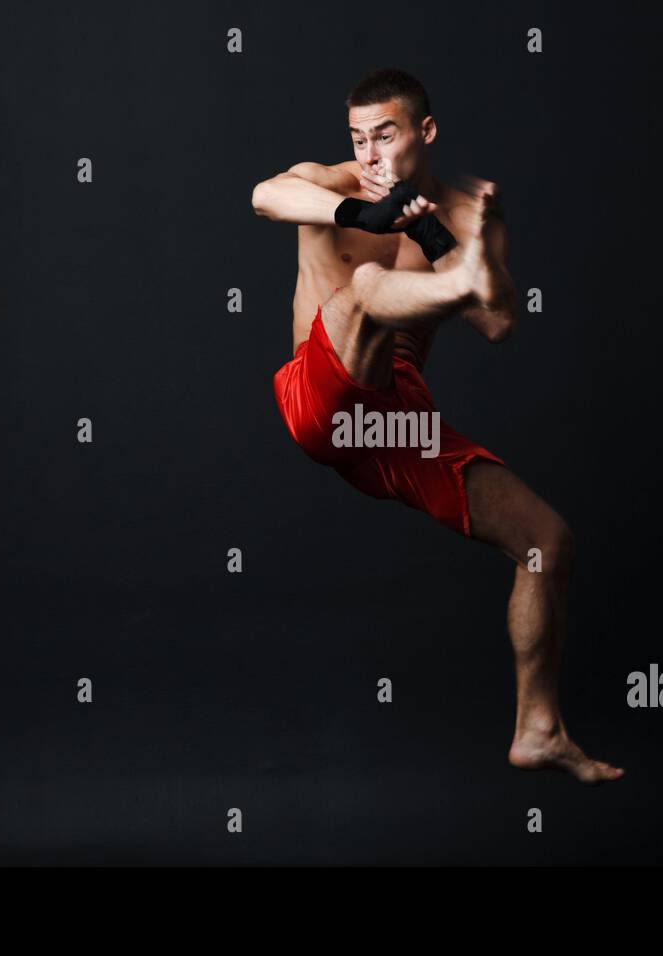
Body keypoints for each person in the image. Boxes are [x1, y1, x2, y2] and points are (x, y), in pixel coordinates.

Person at [252, 68, 624, 783]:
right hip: (320, 399)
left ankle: (539, 728)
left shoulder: (461, 214)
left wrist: (431, 231)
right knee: (362, 290)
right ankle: (447, 281)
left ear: (424, 132)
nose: (369, 153)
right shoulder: (329, 186)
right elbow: (266, 196)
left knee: (547, 542)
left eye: (384, 134)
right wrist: (367, 217)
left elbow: (499, 322)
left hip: (397, 428)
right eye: (358, 137)